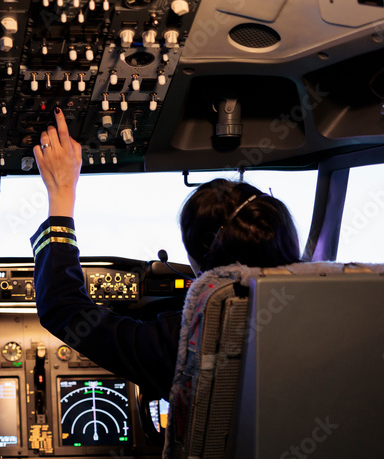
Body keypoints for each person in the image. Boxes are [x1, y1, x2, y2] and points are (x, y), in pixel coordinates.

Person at [29, 108, 300, 396]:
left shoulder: (191, 339)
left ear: (201, 262)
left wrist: (62, 192)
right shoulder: (334, 313)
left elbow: (65, 309)